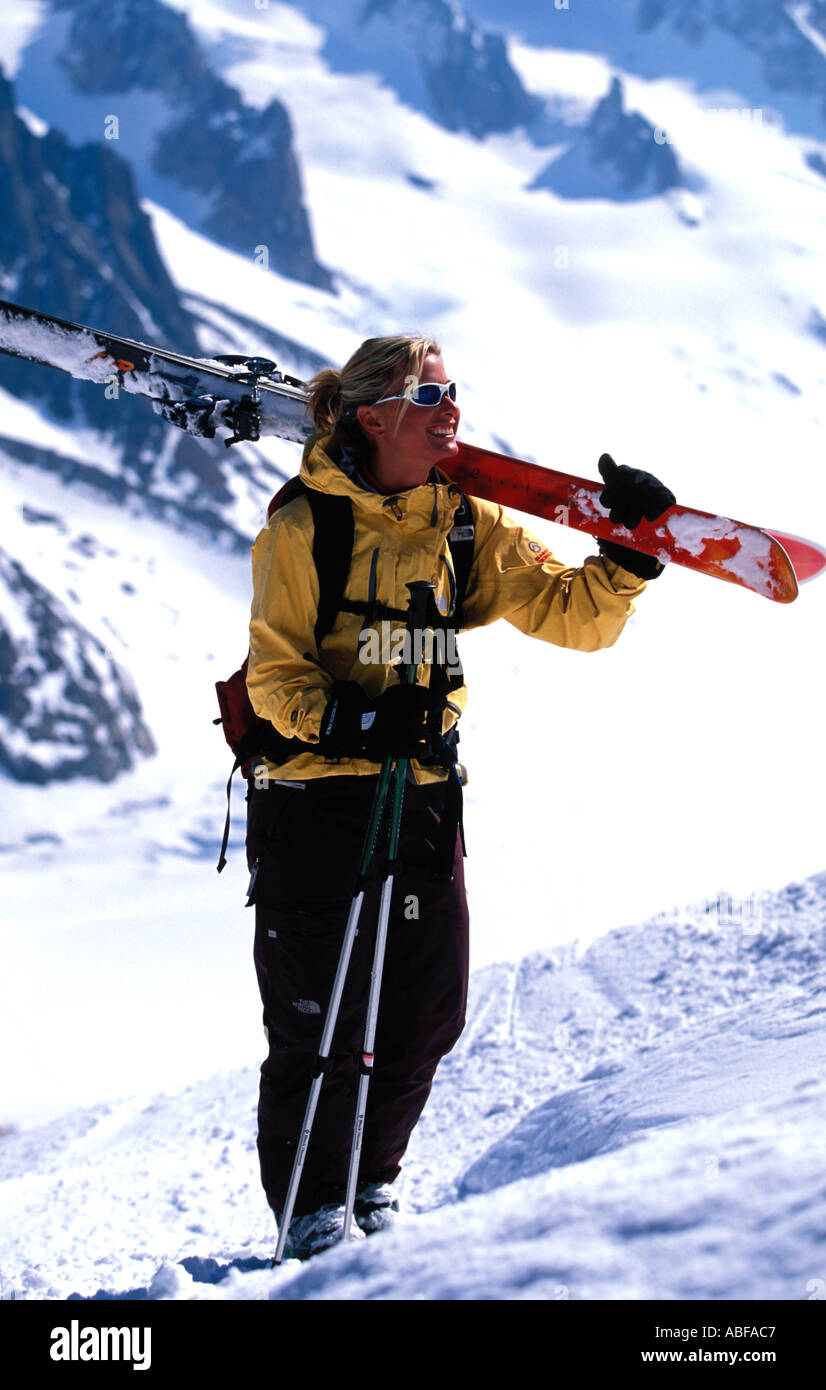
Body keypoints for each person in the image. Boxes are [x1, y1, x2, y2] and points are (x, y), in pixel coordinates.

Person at [244, 334, 673, 1259]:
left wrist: (626, 552)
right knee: (320, 1015)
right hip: (317, 802)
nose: (451, 407)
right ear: (371, 415)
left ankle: (374, 1184)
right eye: (428, 392)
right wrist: (358, 728)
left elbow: (572, 615)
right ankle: (315, 1208)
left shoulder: (464, 521)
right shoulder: (301, 527)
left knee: (426, 1007)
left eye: (452, 389)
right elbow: (273, 677)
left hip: (428, 794)